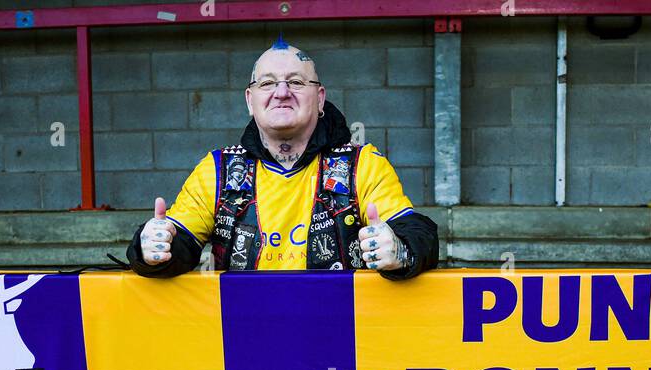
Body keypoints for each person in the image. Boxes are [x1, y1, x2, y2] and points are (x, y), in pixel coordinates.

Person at [127, 38, 439, 280]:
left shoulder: (364, 164)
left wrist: (401, 250)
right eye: (267, 83)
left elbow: (418, 233)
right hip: (243, 337)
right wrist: (151, 248)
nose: (281, 92)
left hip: (342, 339)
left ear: (319, 99)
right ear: (251, 101)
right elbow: (178, 243)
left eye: (296, 82)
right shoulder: (218, 170)